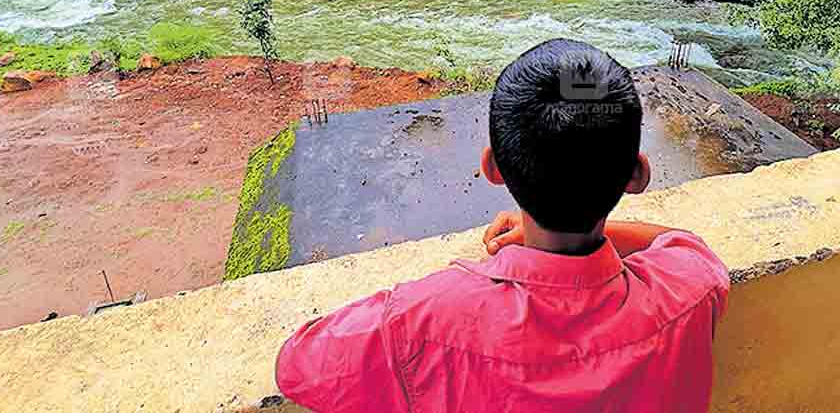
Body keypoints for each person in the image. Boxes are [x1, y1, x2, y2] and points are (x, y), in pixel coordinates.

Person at [276, 38, 730, 412]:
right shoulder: (688, 288)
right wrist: (583, 225)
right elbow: (682, 243)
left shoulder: (419, 322)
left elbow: (296, 365)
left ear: (492, 168)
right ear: (637, 175)